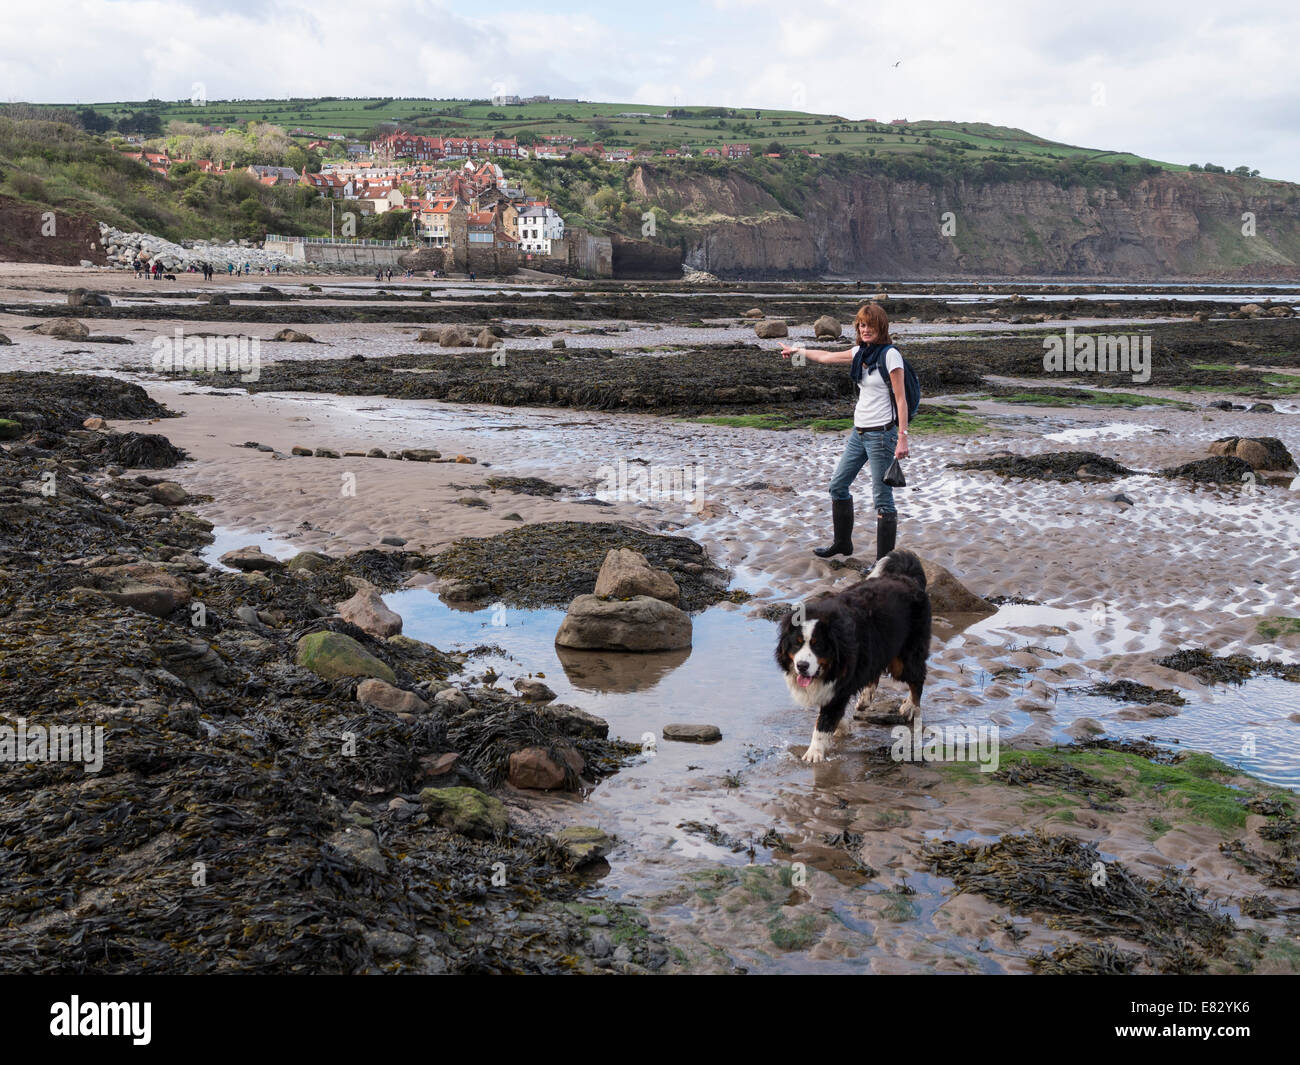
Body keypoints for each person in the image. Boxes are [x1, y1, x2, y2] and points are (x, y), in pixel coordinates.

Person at [779, 302, 910, 560]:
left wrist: (902, 438)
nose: (865, 329)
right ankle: (842, 544)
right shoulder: (861, 353)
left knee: (882, 499)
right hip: (859, 433)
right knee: (838, 486)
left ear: (880, 326)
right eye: (862, 325)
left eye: (870, 325)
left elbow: (901, 399)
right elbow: (826, 357)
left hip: (882, 435)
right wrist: (797, 351)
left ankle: (884, 564)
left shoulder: (890, 355)